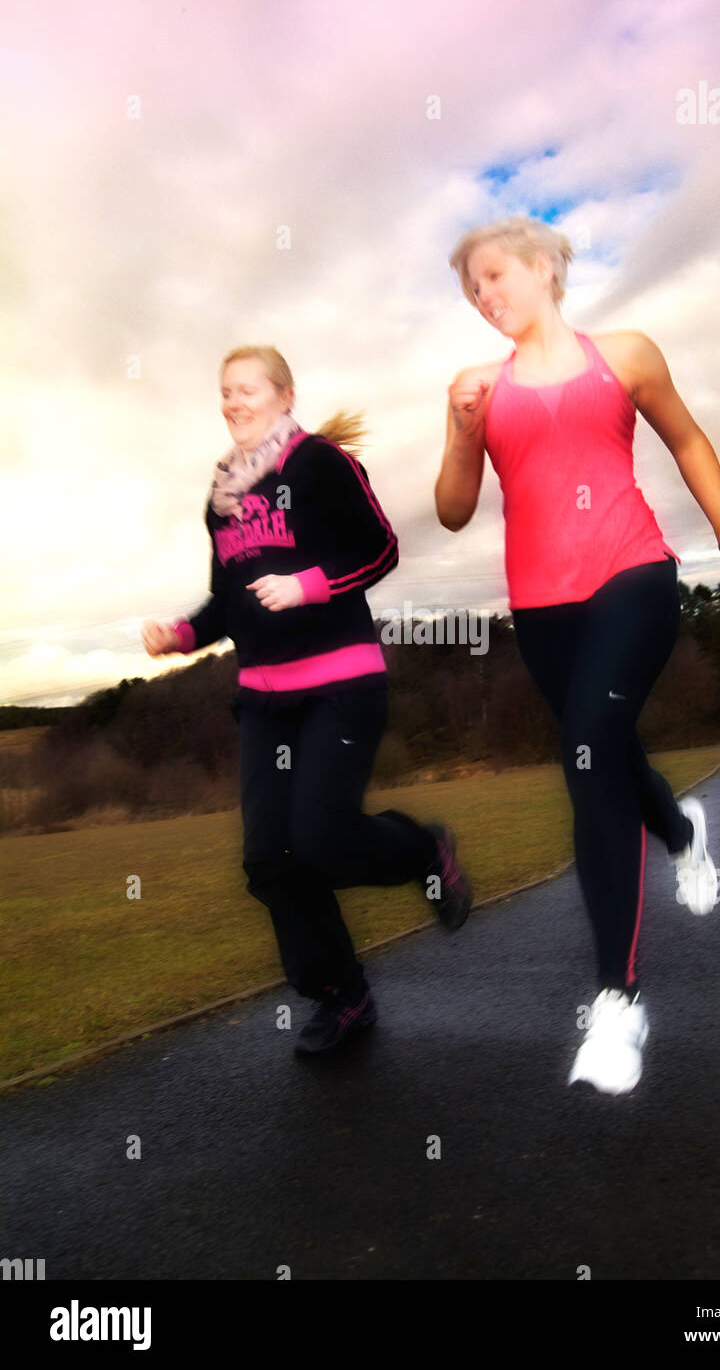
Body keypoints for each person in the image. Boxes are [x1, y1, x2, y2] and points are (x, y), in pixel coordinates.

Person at [436, 217, 720, 1095]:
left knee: (585, 759)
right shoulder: (473, 388)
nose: (485, 296)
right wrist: (461, 431)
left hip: (633, 577)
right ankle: (683, 830)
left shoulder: (626, 353)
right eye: (472, 290)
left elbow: (686, 438)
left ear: (544, 268)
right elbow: (454, 511)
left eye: (494, 276)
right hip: (542, 609)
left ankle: (618, 1001)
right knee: (604, 751)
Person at [142, 345, 472, 1055]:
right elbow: (227, 602)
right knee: (270, 860)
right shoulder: (221, 499)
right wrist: (181, 633)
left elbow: (380, 549)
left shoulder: (319, 462)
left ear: (284, 396)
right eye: (224, 391)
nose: (233, 402)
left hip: (340, 686)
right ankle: (341, 996)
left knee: (321, 838)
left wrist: (311, 584)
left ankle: (423, 851)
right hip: (265, 703)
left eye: (248, 389)